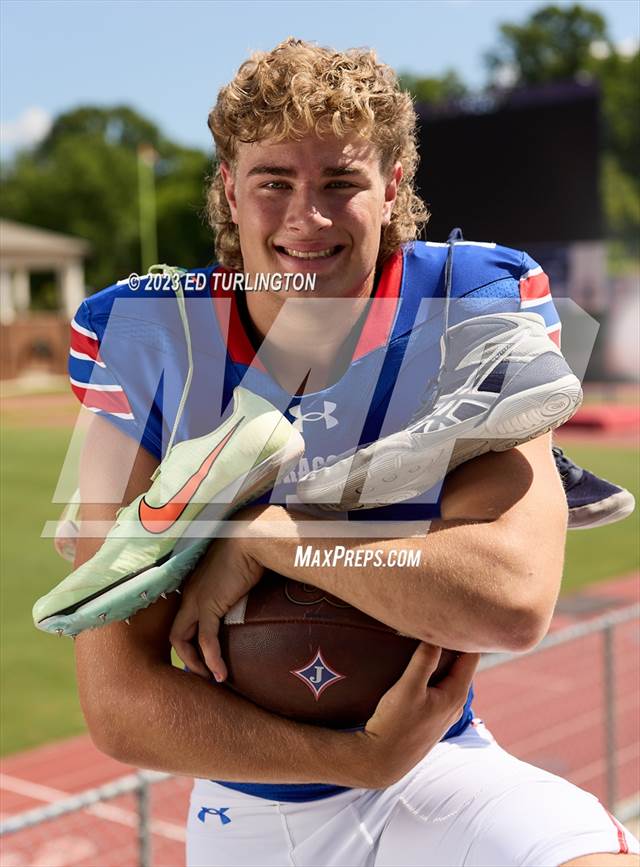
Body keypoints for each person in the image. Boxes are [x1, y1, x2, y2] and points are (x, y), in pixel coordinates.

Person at [58, 39, 638, 866]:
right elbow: (119, 702)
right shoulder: (149, 334)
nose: (308, 216)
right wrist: (356, 760)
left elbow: (512, 597)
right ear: (229, 187)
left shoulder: (466, 303)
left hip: (443, 768)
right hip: (248, 801)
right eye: (273, 183)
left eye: (340, 182)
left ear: (392, 187)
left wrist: (271, 537)